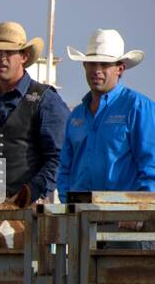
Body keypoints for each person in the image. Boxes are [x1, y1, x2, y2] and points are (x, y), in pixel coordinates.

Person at [0, 22, 69, 209]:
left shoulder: (47, 101)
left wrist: (30, 193)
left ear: (24, 57)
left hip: (33, 209)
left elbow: (58, 158)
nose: (1, 58)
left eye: (9, 52)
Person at [57, 28, 155, 197]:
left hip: (123, 212)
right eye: (92, 63)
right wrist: (68, 203)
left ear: (120, 69)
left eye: (104, 64)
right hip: (80, 212)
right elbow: (65, 167)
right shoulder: (76, 115)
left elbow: (151, 166)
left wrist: (141, 212)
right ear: (84, 66)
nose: (97, 70)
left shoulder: (138, 107)